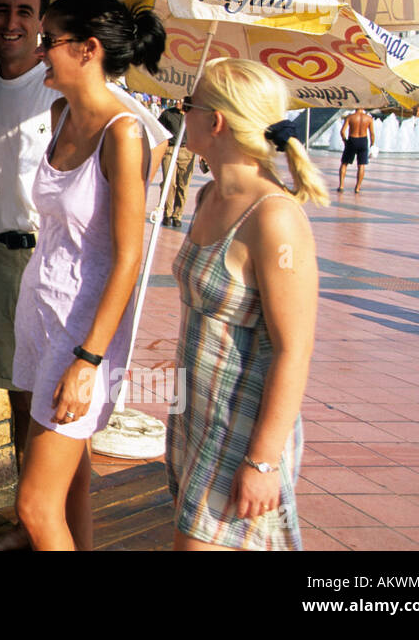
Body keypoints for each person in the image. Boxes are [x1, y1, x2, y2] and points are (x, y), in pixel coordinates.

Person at [0, 0, 168, 512]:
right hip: (40, 302)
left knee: (35, 505)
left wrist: (89, 358)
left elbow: (128, 257)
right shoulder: (58, 113)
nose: (40, 51)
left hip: (81, 324)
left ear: (87, 50)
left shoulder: (123, 132)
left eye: (48, 40)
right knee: (67, 476)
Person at [166, 58, 327, 551]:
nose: (180, 113)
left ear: (215, 122)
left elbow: (293, 350)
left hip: (244, 426)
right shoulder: (208, 195)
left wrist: (262, 460)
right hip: (196, 411)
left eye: (187, 106)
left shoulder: (274, 217)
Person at [158, 99, 195, 228]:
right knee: (169, 183)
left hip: (187, 152)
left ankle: (177, 215)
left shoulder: (193, 115)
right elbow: (158, 131)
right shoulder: (167, 114)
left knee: (183, 186)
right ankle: (167, 213)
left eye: (181, 99)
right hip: (170, 150)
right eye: (176, 99)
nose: (178, 101)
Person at [338, 107, 375, 193]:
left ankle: (341, 185)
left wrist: (345, 141)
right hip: (363, 141)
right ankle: (357, 188)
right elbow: (372, 134)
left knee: (344, 163)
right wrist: (372, 144)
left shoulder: (350, 117)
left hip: (352, 140)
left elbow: (342, 131)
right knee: (361, 165)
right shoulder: (369, 118)